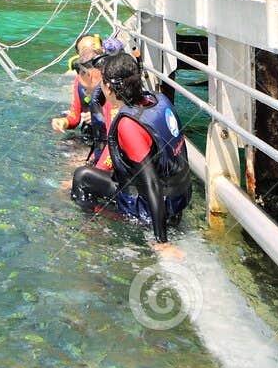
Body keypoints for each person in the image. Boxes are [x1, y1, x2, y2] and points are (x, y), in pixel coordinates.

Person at [70, 52, 191, 245]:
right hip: (179, 197)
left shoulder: (128, 125)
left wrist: (162, 241)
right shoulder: (158, 100)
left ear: (108, 87)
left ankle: (92, 229)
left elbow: (152, 183)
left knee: (83, 176)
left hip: (151, 209)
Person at [51, 34, 108, 155]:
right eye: (84, 51)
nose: (89, 53)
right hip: (91, 134)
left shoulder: (112, 77)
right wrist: (63, 122)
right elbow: (74, 116)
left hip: (109, 136)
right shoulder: (80, 81)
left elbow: (126, 112)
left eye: (93, 48)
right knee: (61, 148)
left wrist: (100, 116)